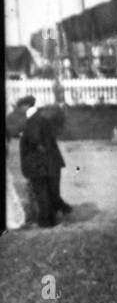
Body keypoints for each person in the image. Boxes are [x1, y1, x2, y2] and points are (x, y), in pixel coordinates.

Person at [19, 104, 69, 227]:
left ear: (26, 107)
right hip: (52, 163)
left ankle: (46, 222)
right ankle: (56, 216)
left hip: (39, 164)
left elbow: (36, 140)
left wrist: (34, 145)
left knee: (42, 193)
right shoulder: (43, 119)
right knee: (51, 192)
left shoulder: (33, 121)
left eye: (21, 107)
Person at [6, 94, 37, 227]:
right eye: (27, 105)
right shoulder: (13, 117)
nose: (27, 108)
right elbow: (11, 130)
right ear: (22, 105)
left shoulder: (24, 116)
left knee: (27, 180)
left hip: (24, 149)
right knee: (19, 180)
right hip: (16, 148)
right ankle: (23, 215)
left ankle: (29, 212)